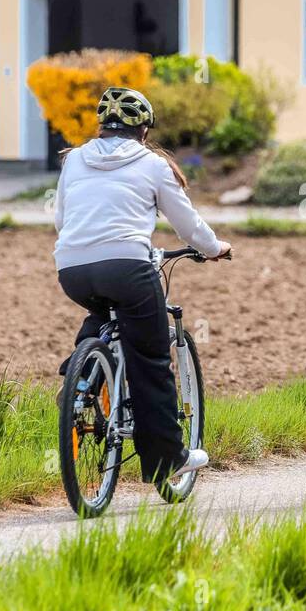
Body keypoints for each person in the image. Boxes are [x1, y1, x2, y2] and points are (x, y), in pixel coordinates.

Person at [53, 86, 231, 483]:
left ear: (102, 127)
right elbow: (188, 225)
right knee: (150, 359)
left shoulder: (75, 159)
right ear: (144, 131)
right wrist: (215, 248)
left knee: (101, 311)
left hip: (72, 270)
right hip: (129, 269)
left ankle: (80, 380)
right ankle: (168, 459)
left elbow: (62, 221)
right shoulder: (153, 165)